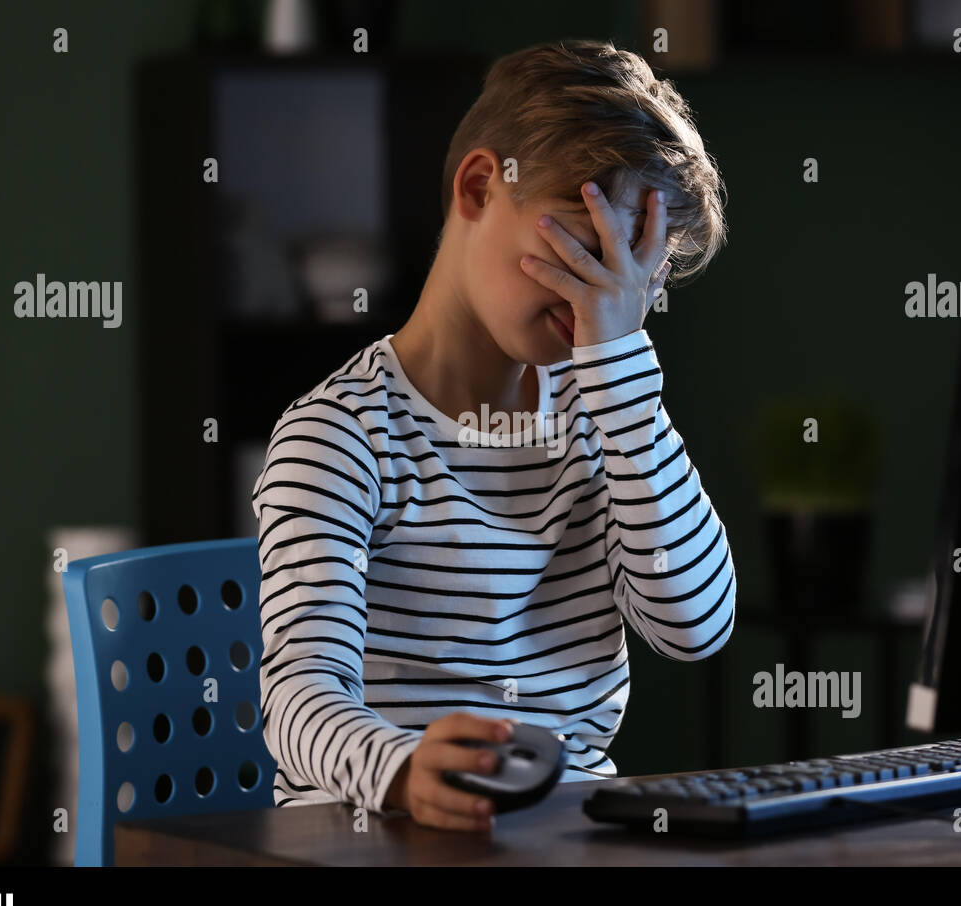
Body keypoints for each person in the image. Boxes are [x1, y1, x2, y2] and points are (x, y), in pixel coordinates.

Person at [252, 39, 735, 831]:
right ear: (480, 187)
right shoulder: (338, 436)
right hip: (379, 829)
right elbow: (300, 701)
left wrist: (620, 381)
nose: (603, 299)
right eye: (587, 248)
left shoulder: (605, 411)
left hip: (563, 827)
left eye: (635, 278)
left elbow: (695, 628)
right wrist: (403, 770)